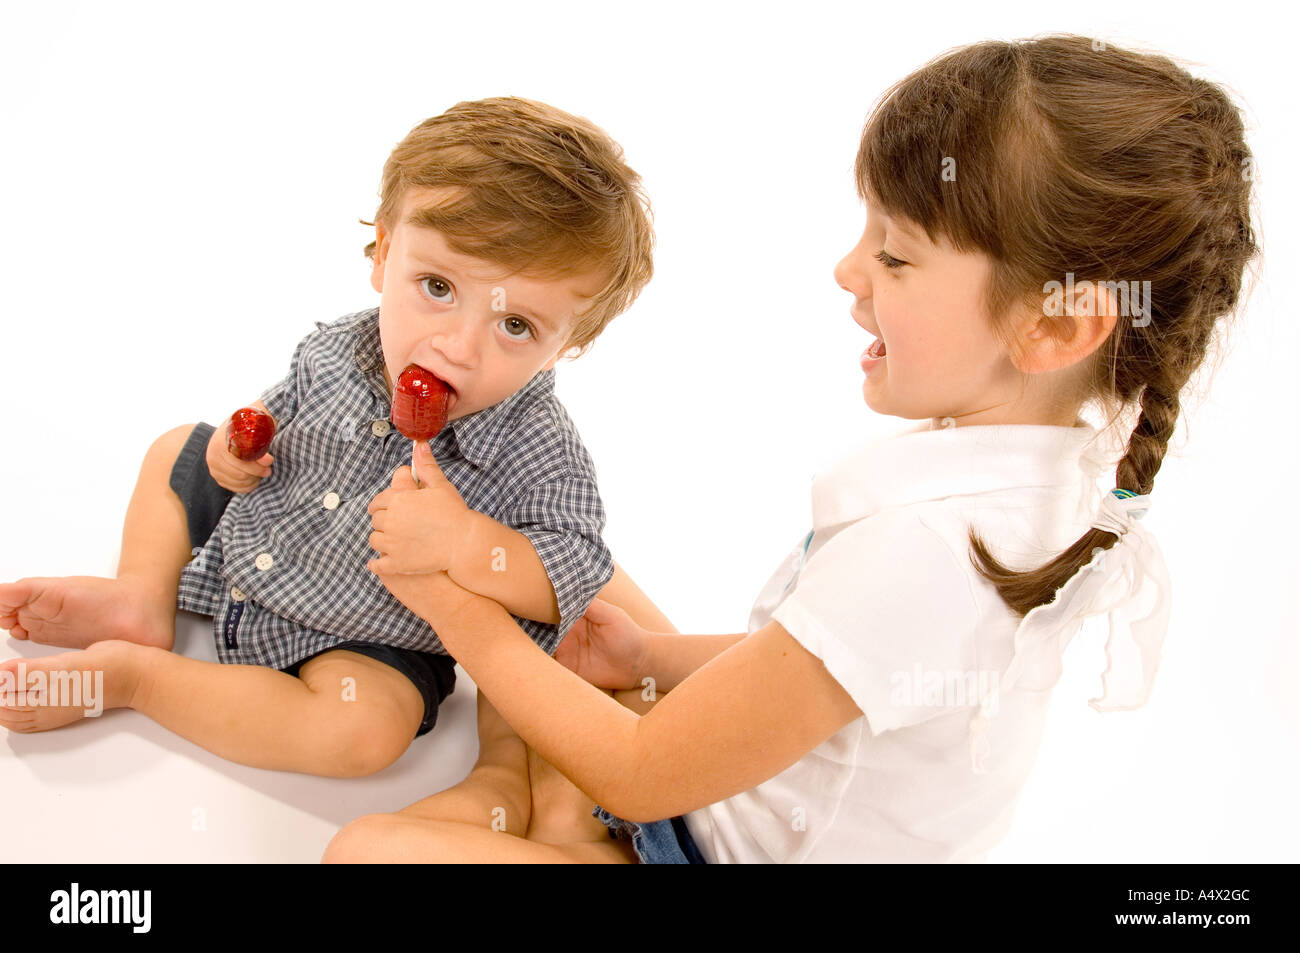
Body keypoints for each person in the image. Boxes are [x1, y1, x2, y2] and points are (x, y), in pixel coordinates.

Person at [323, 34, 1259, 862]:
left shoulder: (929, 552)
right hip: (733, 788)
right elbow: (832, 667)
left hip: (702, 832)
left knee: (368, 853)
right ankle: (550, 803)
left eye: (895, 256)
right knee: (577, 584)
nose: (849, 271)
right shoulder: (1031, 473)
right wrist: (651, 656)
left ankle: (557, 817)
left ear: (1054, 331)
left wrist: (449, 602)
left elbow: (648, 774)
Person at [0, 97, 658, 778]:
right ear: (380, 254)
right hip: (256, 540)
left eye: (515, 326)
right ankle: (141, 596)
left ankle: (134, 677)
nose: (457, 346)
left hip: (367, 637)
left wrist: (469, 544)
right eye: (436, 286)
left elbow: (576, 567)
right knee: (176, 448)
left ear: (567, 345)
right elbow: (276, 410)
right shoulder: (340, 347)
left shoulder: (540, 447)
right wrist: (238, 451)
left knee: (361, 733)